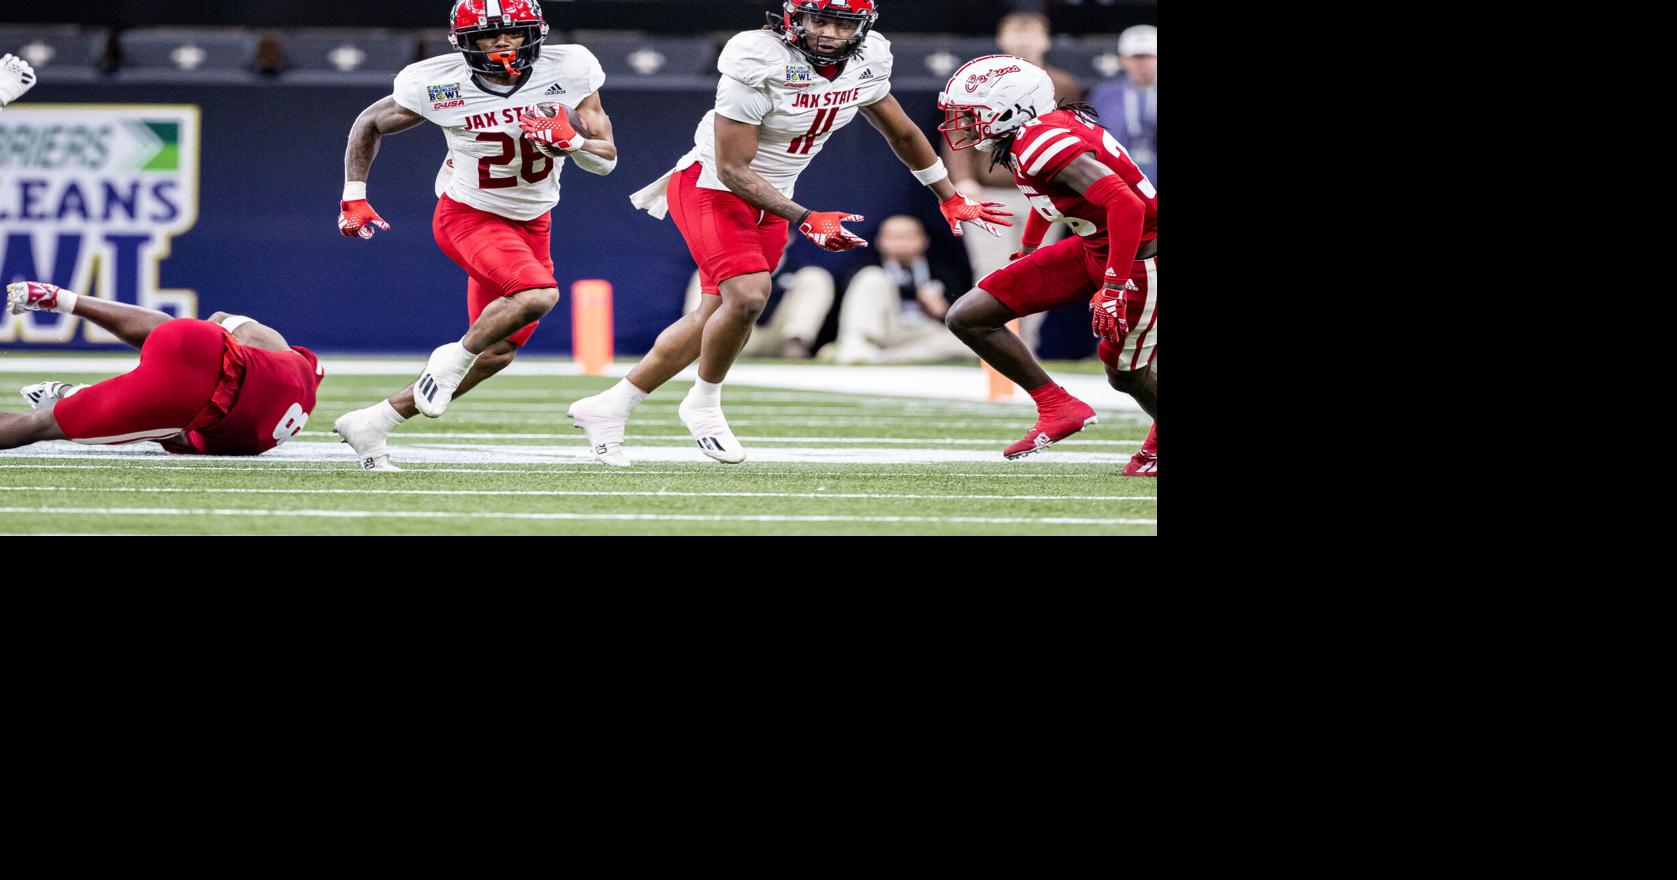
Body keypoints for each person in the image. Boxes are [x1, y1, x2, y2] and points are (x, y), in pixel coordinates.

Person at [568, 0, 1012, 467]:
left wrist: (947, 194)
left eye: (841, 23)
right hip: (712, 186)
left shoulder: (866, 62)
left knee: (718, 313)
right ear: (793, 19)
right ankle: (703, 404)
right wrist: (806, 217)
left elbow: (901, 134)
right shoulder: (759, 59)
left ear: (861, 29)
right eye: (818, 19)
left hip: (774, 194)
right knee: (749, 296)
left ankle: (612, 405)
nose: (827, 32)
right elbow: (733, 168)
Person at [330, 0, 617, 471]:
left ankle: (374, 422)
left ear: (535, 33)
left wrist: (574, 142)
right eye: (489, 35)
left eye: (513, 32)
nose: (503, 42)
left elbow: (606, 160)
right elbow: (370, 122)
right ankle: (449, 360)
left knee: (499, 350)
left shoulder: (572, 66)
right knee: (537, 295)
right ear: (466, 42)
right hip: (469, 214)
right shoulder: (437, 82)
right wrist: (353, 195)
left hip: (534, 219)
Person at [935, 56, 1158, 471]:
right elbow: (1051, 197)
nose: (964, 124)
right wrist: (1030, 246)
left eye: (973, 113)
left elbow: (1125, 204)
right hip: (1092, 246)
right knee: (970, 315)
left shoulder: (1040, 140)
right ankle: (1057, 406)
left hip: (1139, 257)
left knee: (1124, 373)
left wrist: (1113, 286)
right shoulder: (1036, 132)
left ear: (1011, 106)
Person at [2, 281, 324, 455]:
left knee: (177, 332)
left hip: (193, 340)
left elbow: (223, 319)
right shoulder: (248, 443)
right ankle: (70, 394)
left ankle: (63, 299)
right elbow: (171, 434)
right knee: (40, 425)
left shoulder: (293, 363)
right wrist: (79, 398)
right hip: (184, 399)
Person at [939, 12, 1083, 354]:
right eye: (1016, 33)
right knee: (991, 272)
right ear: (1001, 39)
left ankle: (1024, 350)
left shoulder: (1061, 83)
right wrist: (963, 181)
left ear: (1046, 40)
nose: (1024, 40)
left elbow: (1074, 135)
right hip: (989, 192)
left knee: (1039, 275)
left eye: (1032, 33)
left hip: (1042, 195)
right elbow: (957, 131)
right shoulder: (976, 80)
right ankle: (993, 349)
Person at [827, 214, 971, 363]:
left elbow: (957, 318)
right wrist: (915, 292)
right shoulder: (865, 267)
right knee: (872, 277)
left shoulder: (944, 273)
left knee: (963, 344)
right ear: (879, 241)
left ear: (924, 240)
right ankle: (857, 345)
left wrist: (943, 310)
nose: (900, 242)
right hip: (886, 328)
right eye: (893, 237)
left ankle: (883, 357)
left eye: (908, 237)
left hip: (923, 332)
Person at [1087, 25, 1156, 186]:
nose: (1142, 63)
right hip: (1117, 177)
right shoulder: (1104, 94)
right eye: (1136, 57)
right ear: (1123, 59)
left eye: (1149, 57)